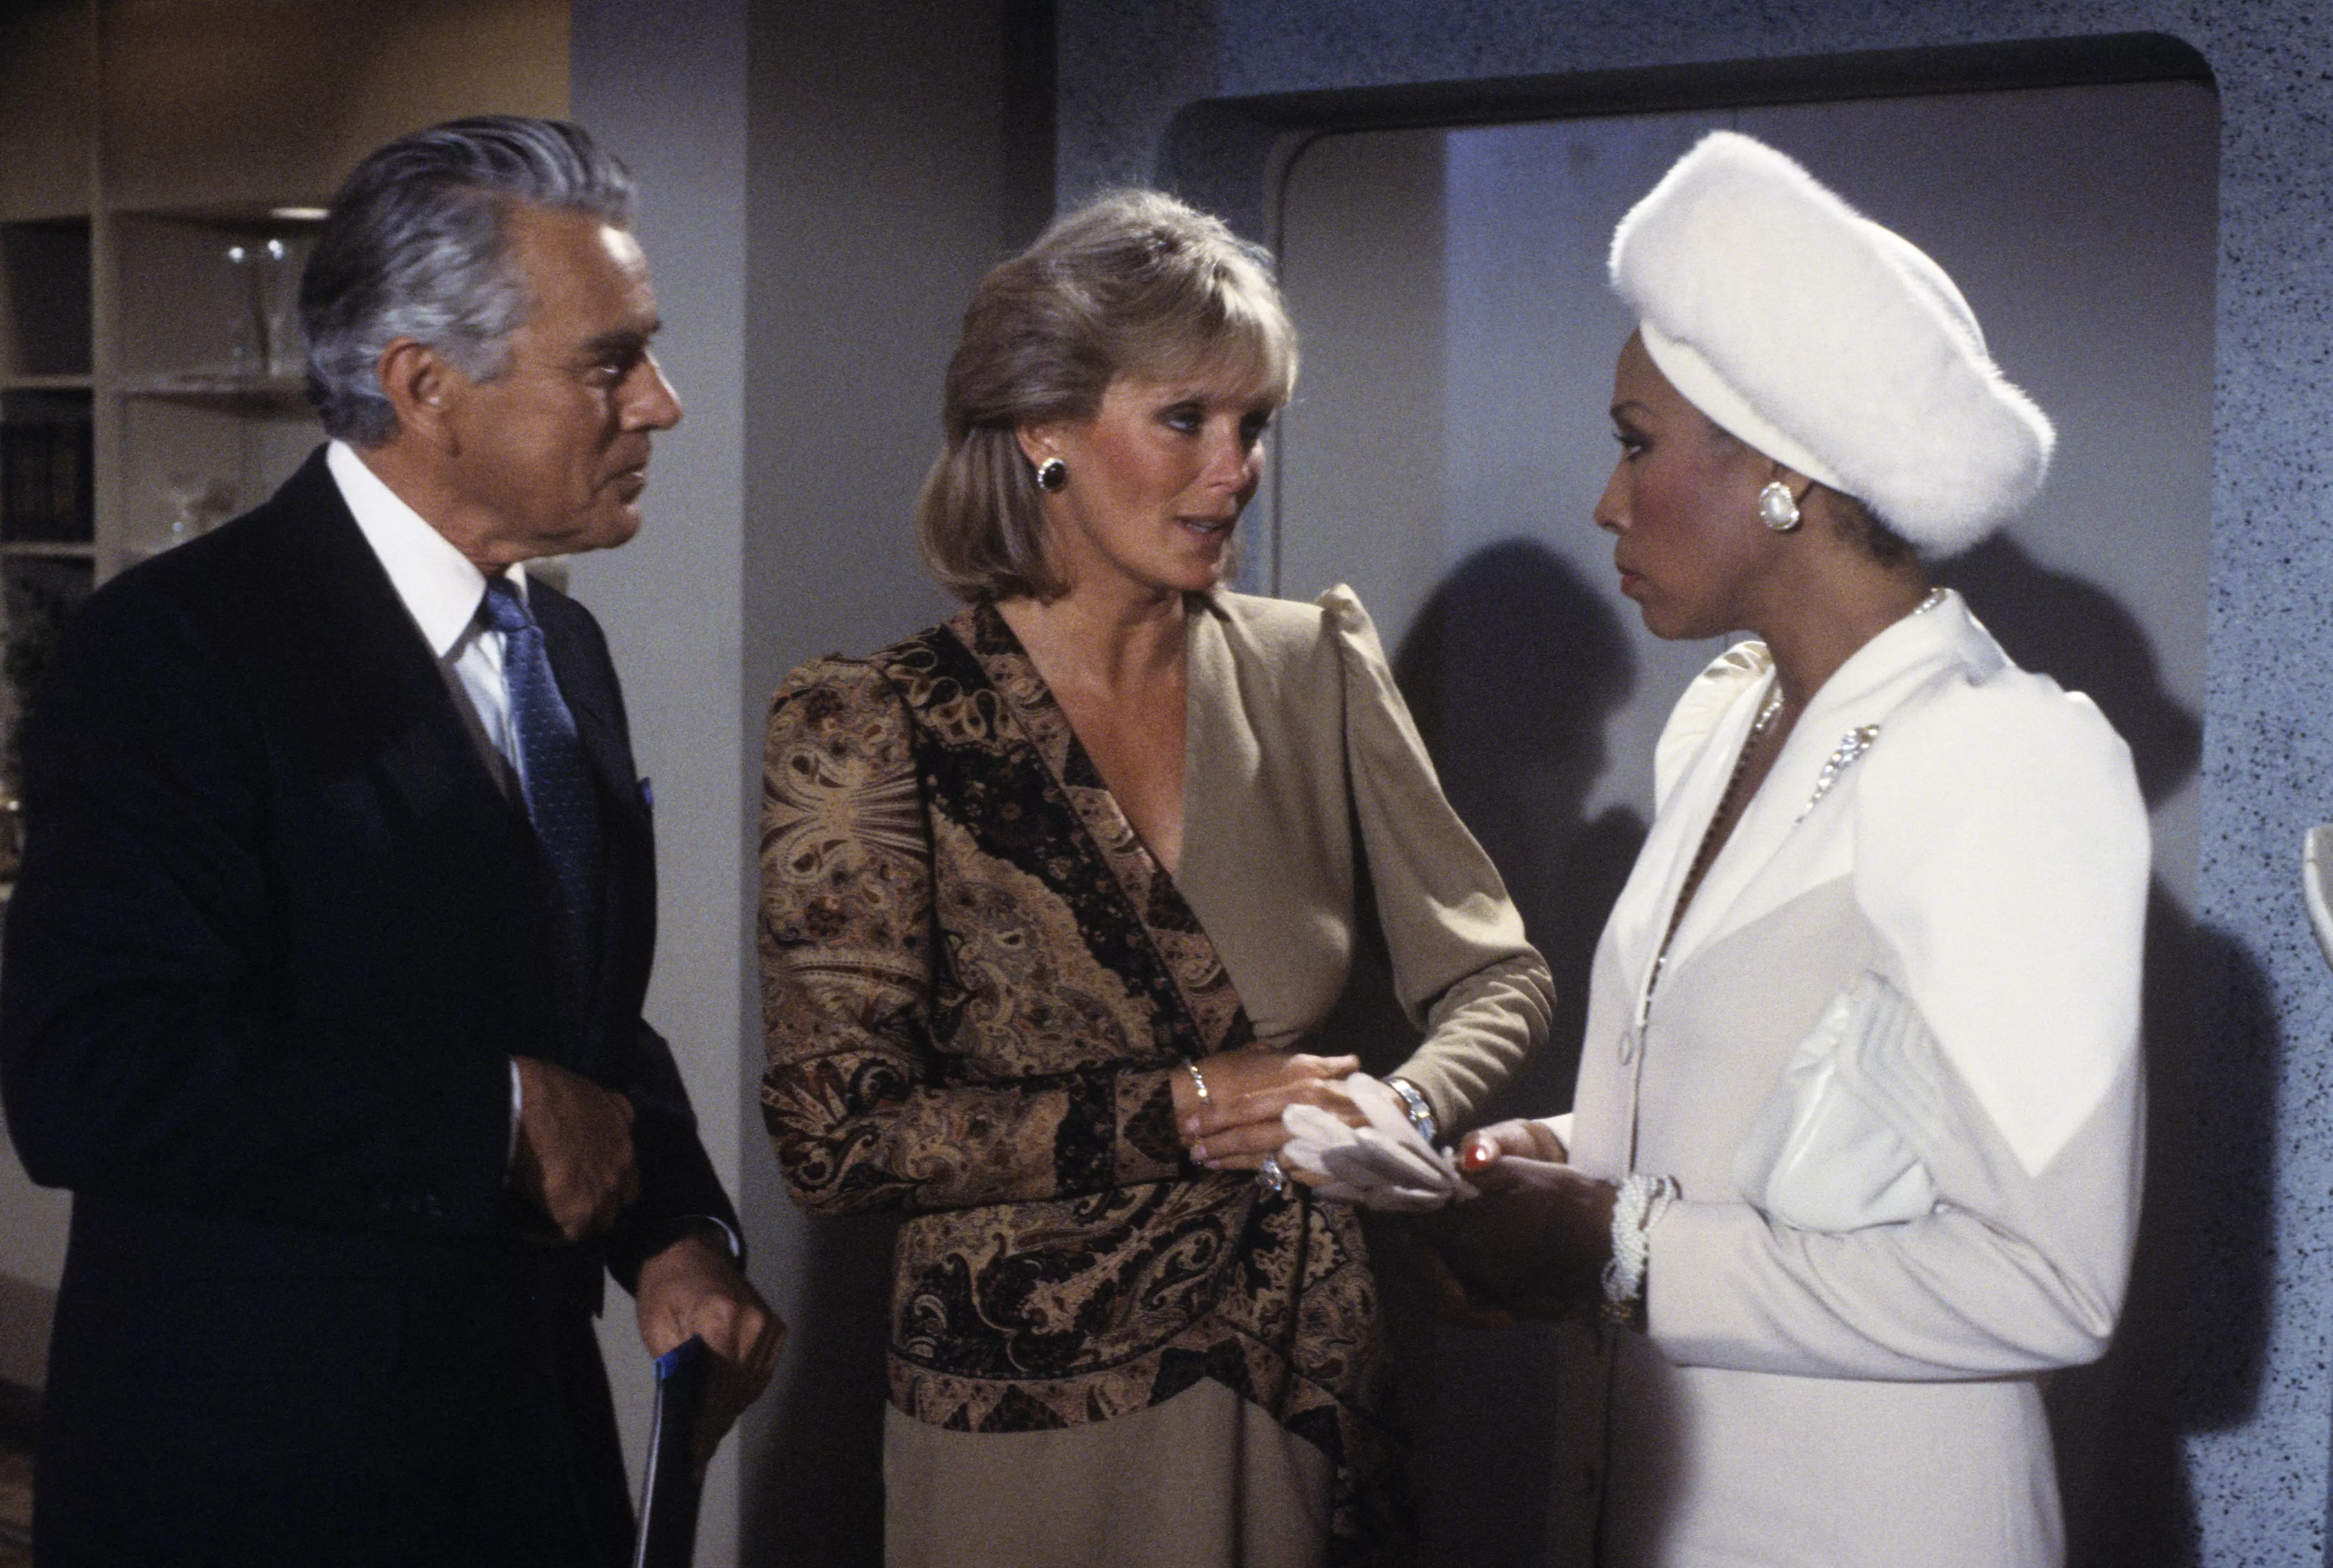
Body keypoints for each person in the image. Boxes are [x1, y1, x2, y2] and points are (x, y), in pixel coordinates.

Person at [0, 117, 782, 1566]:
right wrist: (486, 1120)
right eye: (610, 362)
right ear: (427, 386)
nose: (662, 404)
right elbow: (86, 1069)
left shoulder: (567, 650)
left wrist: (673, 1226)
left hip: (528, 1464)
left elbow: (576, 1022)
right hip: (259, 1482)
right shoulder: (174, 652)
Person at [757, 189, 1554, 1567]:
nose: (1234, 468)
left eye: (1253, 427)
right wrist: (1186, 1110)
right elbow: (837, 1136)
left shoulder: (1313, 667)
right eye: (1185, 420)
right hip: (1020, 1431)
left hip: (1299, 1385)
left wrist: (1389, 1108)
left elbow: (1497, 975)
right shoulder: (872, 722)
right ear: (1043, 432)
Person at [1413, 132, 2149, 1566]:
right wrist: (1548, 1160)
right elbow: (1778, 1130)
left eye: (1633, 443)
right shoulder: (1723, 721)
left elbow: (2048, 1280)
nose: (1603, 500)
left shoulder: (2009, 760)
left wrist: (1615, 1245)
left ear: (1781, 475)